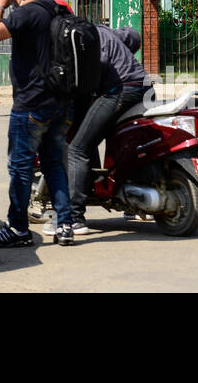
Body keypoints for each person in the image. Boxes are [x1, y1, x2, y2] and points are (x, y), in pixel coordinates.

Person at [0, 0, 73, 247]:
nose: (11, 3)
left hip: (31, 104)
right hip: (61, 103)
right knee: (54, 165)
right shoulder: (60, 10)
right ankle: (66, 224)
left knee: (20, 168)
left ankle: (18, 228)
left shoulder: (28, 12)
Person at [64, 26, 149, 240]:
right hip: (145, 86)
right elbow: (133, 35)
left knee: (78, 148)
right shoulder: (102, 30)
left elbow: (98, 64)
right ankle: (135, 203)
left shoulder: (79, 37)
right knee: (125, 143)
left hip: (120, 90)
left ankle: (74, 218)